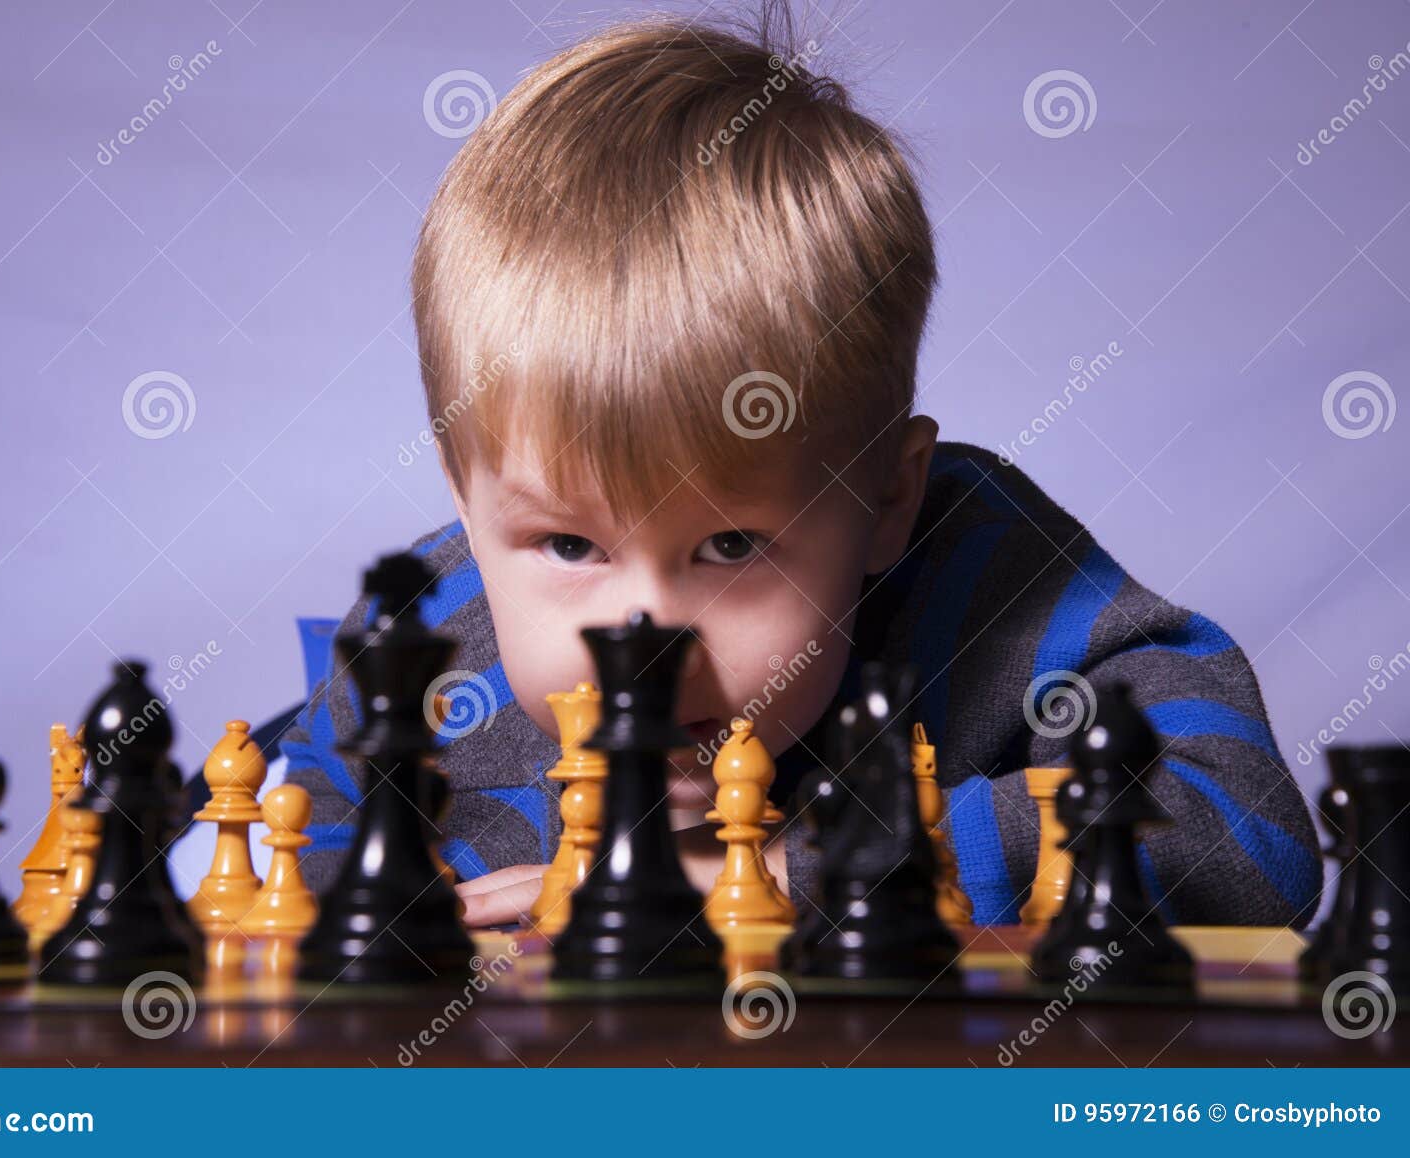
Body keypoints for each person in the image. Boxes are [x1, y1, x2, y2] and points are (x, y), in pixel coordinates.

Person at [281, 9, 1319, 930]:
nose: (641, 653)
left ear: (887, 500)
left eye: (729, 545)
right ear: (464, 504)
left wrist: (804, 871)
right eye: (568, 544)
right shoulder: (417, 649)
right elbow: (290, 930)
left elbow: (1246, 839)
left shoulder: (993, 585)